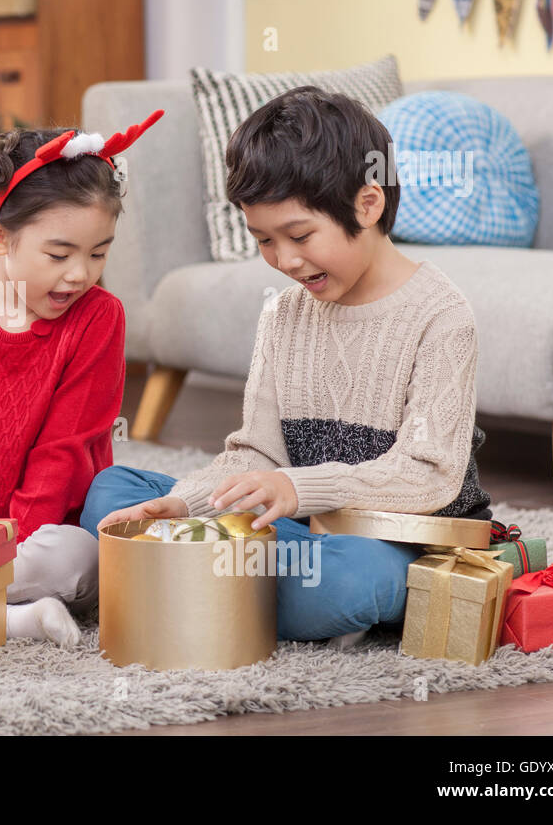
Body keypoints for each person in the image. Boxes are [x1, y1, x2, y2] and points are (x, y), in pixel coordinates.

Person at [84, 86, 492, 647]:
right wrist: (187, 503)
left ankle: (176, 574)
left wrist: (299, 489)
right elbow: (257, 455)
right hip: (295, 530)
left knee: (347, 579)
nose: (286, 260)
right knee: (114, 491)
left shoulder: (441, 317)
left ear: (367, 205)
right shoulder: (283, 316)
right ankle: (205, 570)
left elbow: (428, 475)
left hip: (394, 538)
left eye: (299, 235)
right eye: (264, 241)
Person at [0, 111, 164, 646]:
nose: (80, 274)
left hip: (52, 531)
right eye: (59, 254)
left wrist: (9, 545)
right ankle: (13, 617)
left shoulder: (100, 317)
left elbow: (64, 450)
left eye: (99, 253)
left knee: (82, 557)